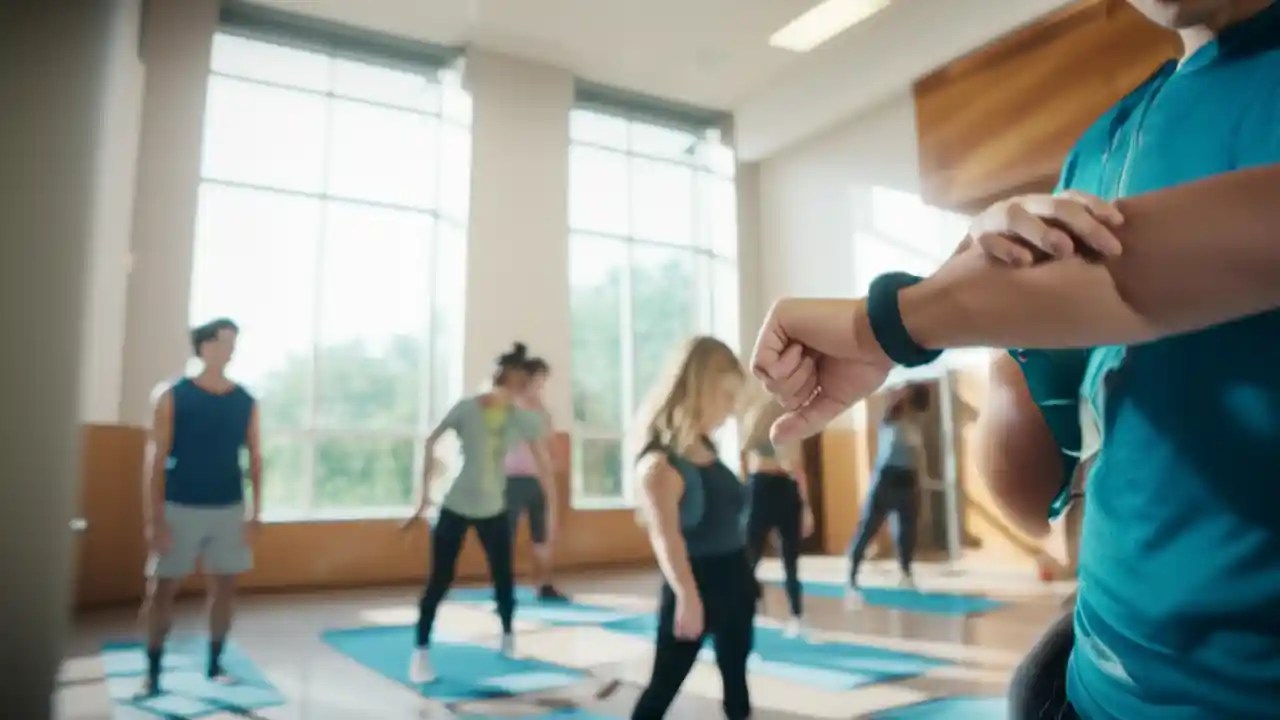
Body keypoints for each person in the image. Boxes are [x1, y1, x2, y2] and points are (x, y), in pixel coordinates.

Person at [752, 3, 1280, 717]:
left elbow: (1168, 263)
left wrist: (896, 319)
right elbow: (1039, 489)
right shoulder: (1104, 142)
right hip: (1096, 687)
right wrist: (1007, 314)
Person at [402, 342, 554, 684]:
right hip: (456, 505)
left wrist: (533, 397)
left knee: (503, 576)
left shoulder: (519, 417)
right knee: (439, 579)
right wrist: (423, 501)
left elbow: (544, 433)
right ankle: (421, 651)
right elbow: (430, 441)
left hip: (493, 509)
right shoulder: (467, 408)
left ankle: (508, 635)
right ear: (502, 378)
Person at [137, 318, 262, 697]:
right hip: (179, 506)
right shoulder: (172, 394)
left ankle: (215, 662)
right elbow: (154, 461)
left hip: (228, 507)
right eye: (224, 343)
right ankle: (153, 672)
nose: (230, 351)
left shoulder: (246, 400)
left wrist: (257, 512)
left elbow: (255, 458)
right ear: (204, 347)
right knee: (162, 590)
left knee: (225, 589)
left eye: (233, 344)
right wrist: (153, 520)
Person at [632, 337, 754, 720]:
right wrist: (688, 595)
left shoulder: (708, 447)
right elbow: (665, 538)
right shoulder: (660, 464)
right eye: (725, 397)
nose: (731, 410)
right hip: (695, 582)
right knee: (662, 690)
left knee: (737, 684)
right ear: (699, 389)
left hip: (735, 578)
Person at [847, 383, 932, 592]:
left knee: (906, 531)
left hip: (907, 481)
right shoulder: (891, 419)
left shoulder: (915, 425)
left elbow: (917, 458)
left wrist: (921, 482)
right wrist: (903, 393)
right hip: (887, 479)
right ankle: (852, 570)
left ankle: (905, 572)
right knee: (869, 527)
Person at [742, 398, 814, 638]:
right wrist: (806, 507)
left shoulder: (788, 416)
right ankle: (792, 615)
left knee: (770, 558)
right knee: (756, 558)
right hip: (766, 486)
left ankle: (796, 615)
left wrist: (805, 507)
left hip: (773, 486)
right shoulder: (762, 414)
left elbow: (797, 467)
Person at [505, 356, 568, 601]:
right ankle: (504, 587)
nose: (540, 387)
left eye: (543, 382)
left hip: (536, 479)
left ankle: (544, 583)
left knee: (542, 534)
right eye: (537, 381)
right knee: (505, 535)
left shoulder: (542, 411)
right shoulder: (510, 409)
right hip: (510, 480)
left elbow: (549, 443)